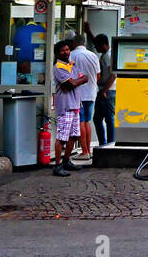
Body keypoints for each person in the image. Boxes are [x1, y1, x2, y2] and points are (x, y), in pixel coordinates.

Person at [50, 39, 87, 176]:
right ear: (57, 53)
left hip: (76, 105)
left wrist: (79, 80)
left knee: (74, 135)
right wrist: (81, 80)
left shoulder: (71, 64)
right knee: (62, 137)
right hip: (66, 106)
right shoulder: (59, 67)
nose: (66, 52)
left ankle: (67, 160)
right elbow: (71, 83)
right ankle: (58, 165)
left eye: (67, 50)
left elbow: (78, 79)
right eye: (62, 50)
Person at [69, 31, 101, 159]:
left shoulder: (72, 55)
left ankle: (84, 152)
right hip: (91, 93)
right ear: (85, 43)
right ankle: (88, 150)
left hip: (78, 94)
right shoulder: (93, 55)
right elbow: (98, 75)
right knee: (87, 121)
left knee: (80, 122)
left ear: (74, 43)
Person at [86, 26, 116, 146]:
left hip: (108, 91)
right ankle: (103, 143)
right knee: (98, 119)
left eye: (97, 46)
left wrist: (105, 90)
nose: (95, 48)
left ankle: (109, 143)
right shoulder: (106, 54)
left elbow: (113, 74)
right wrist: (89, 32)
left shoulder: (108, 56)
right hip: (104, 90)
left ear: (103, 45)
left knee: (108, 118)